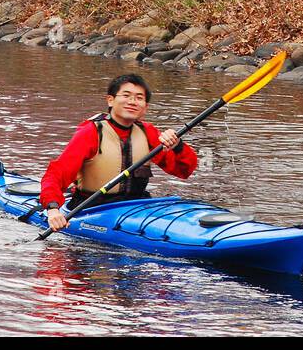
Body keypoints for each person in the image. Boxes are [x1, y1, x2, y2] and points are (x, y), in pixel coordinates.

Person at [40, 74, 198, 232]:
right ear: (110, 100)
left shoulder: (148, 133)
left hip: (136, 207)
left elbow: (184, 171)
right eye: (126, 95)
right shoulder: (91, 133)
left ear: (145, 107)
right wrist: (53, 209)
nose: (132, 102)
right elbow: (56, 174)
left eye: (139, 98)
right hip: (93, 209)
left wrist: (178, 146)